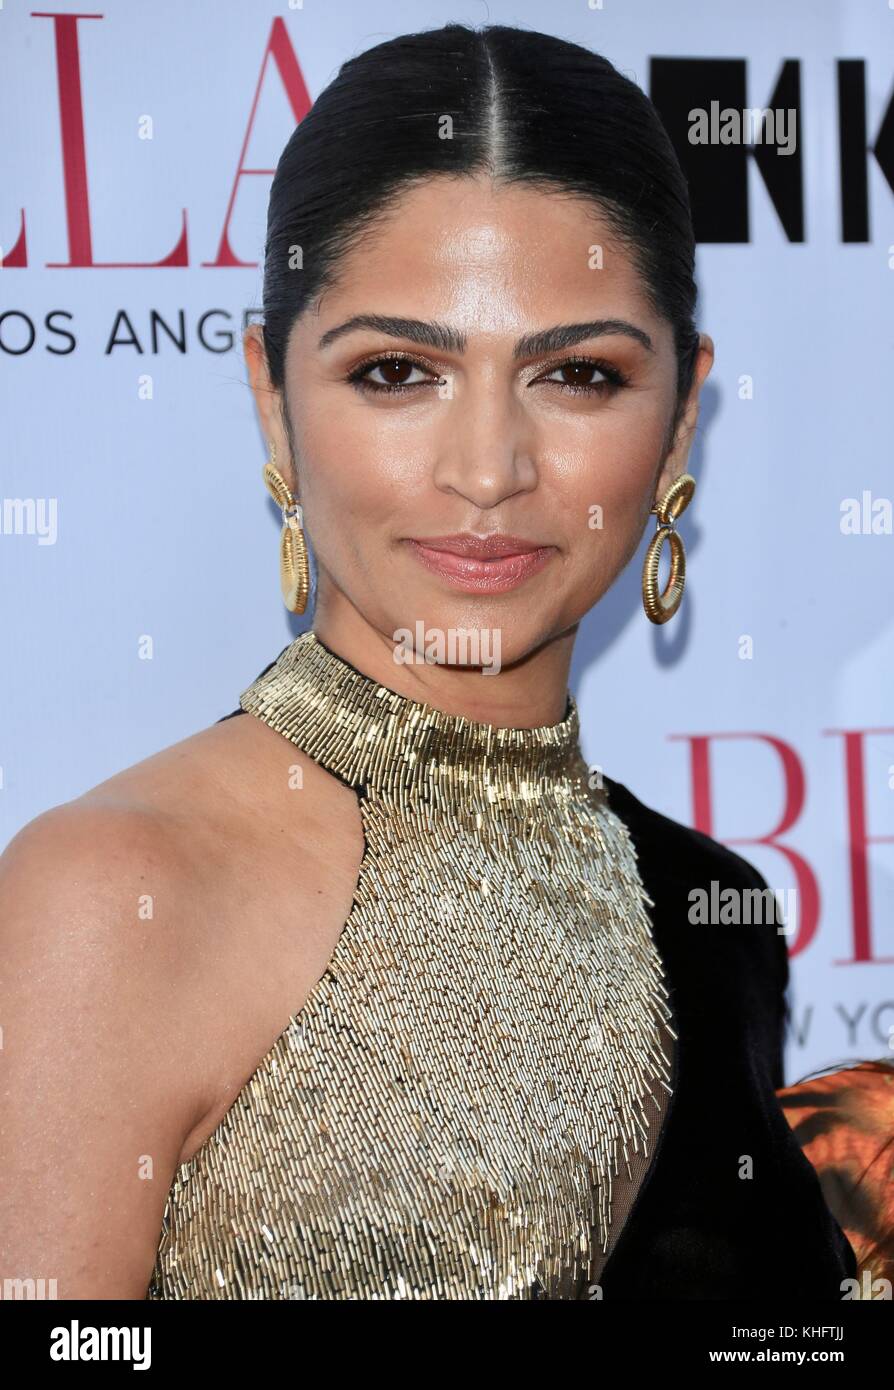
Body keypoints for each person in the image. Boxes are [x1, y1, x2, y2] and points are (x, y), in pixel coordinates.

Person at [0, 22, 855, 1300]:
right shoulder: (113, 895)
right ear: (273, 400)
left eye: (579, 374)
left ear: (681, 417)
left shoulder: (712, 912)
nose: (489, 470)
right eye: (398, 370)